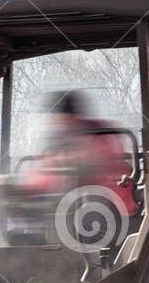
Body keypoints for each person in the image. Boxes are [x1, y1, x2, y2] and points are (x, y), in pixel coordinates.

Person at [10, 90, 137, 255]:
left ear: (70, 115)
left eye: (56, 116)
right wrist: (23, 192)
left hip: (110, 208)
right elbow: (45, 175)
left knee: (65, 209)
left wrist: (67, 165)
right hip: (76, 206)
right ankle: (26, 257)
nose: (53, 122)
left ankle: (64, 262)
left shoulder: (99, 132)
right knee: (24, 213)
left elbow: (96, 164)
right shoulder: (61, 139)